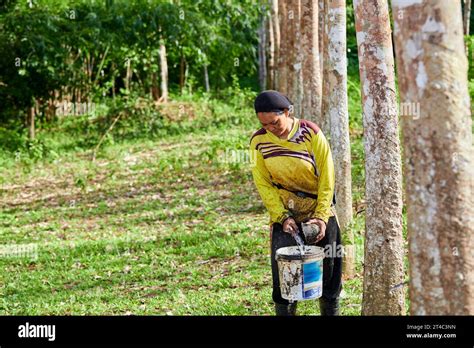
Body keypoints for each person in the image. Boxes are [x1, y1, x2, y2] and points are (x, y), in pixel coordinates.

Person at [249, 90, 342, 316]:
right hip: (285, 209)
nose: (271, 128)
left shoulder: (311, 133)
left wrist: (321, 217)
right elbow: (262, 183)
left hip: (318, 205)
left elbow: (327, 177)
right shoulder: (257, 141)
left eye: (275, 122)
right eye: (265, 124)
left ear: (288, 112)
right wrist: (282, 216)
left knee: (330, 271)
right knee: (283, 276)